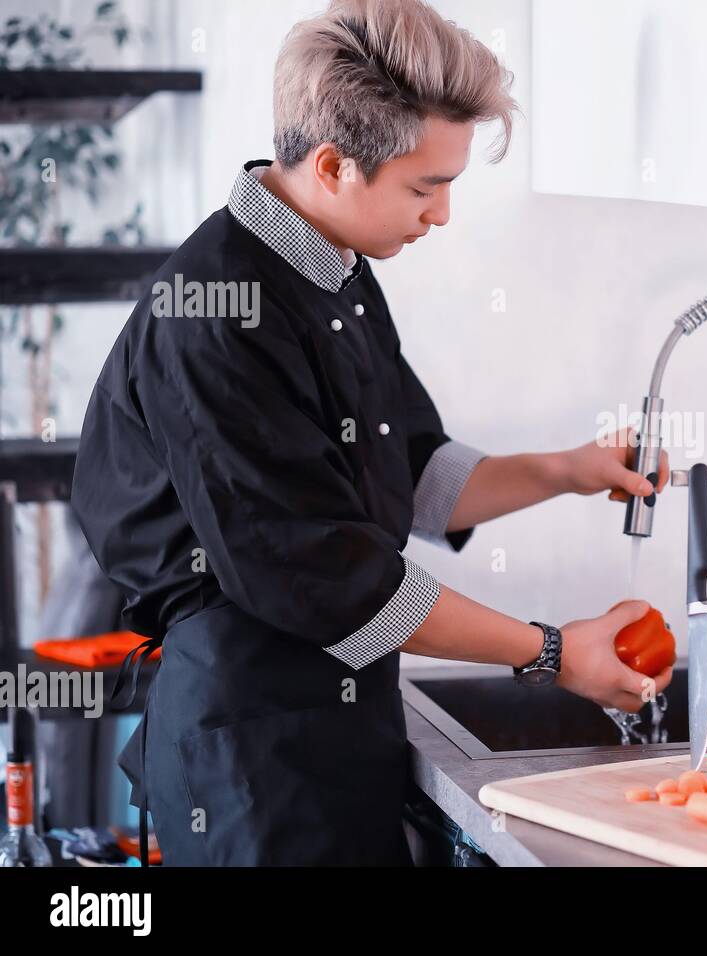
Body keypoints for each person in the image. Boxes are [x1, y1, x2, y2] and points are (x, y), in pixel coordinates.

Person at [70, 0, 670, 866]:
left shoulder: (333, 263)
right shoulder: (217, 314)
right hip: (253, 760)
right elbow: (324, 579)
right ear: (333, 165)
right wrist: (548, 652)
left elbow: (412, 471)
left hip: (336, 729)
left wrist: (570, 469)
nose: (442, 216)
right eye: (426, 187)